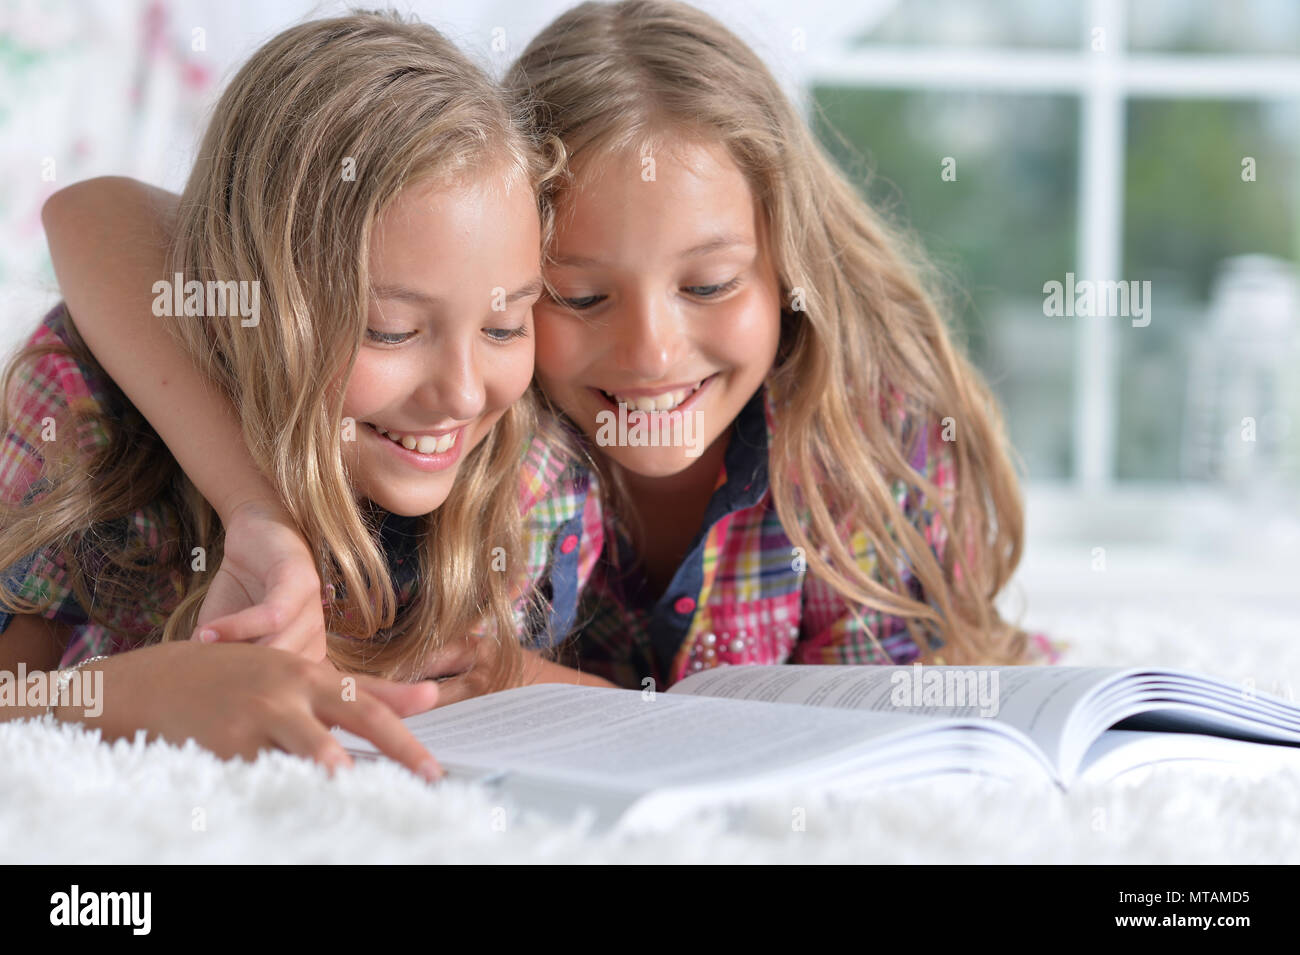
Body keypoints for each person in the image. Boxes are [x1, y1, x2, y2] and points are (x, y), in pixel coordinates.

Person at [36, 1, 1059, 698]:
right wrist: (251, 502)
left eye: (708, 284)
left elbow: (885, 739)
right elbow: (99, 217)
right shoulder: (489, 440)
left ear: (789, 264)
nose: (654, 348)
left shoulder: (860, 441)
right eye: (574, 294)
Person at [0, 11, 604, 781]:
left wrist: (511, 680)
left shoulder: (527, 481)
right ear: (244, 310)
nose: (460, 392)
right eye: (389, 331)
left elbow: (615, 719)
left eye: (504, 324)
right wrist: (136, 694)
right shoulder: (92, 422)